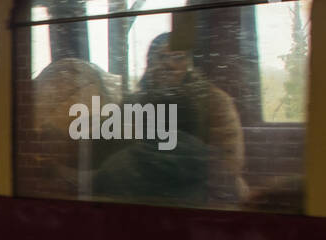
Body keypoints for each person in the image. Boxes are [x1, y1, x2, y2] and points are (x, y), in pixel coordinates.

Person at [96, 32, 248, 206]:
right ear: (150, 63)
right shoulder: (133, 102)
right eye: (161, 57)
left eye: (178, 57)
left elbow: (229, 160)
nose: (168, 64)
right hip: (137, 186)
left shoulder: (214, 101)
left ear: (189, 63)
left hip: (201, 191)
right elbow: (110, 150)